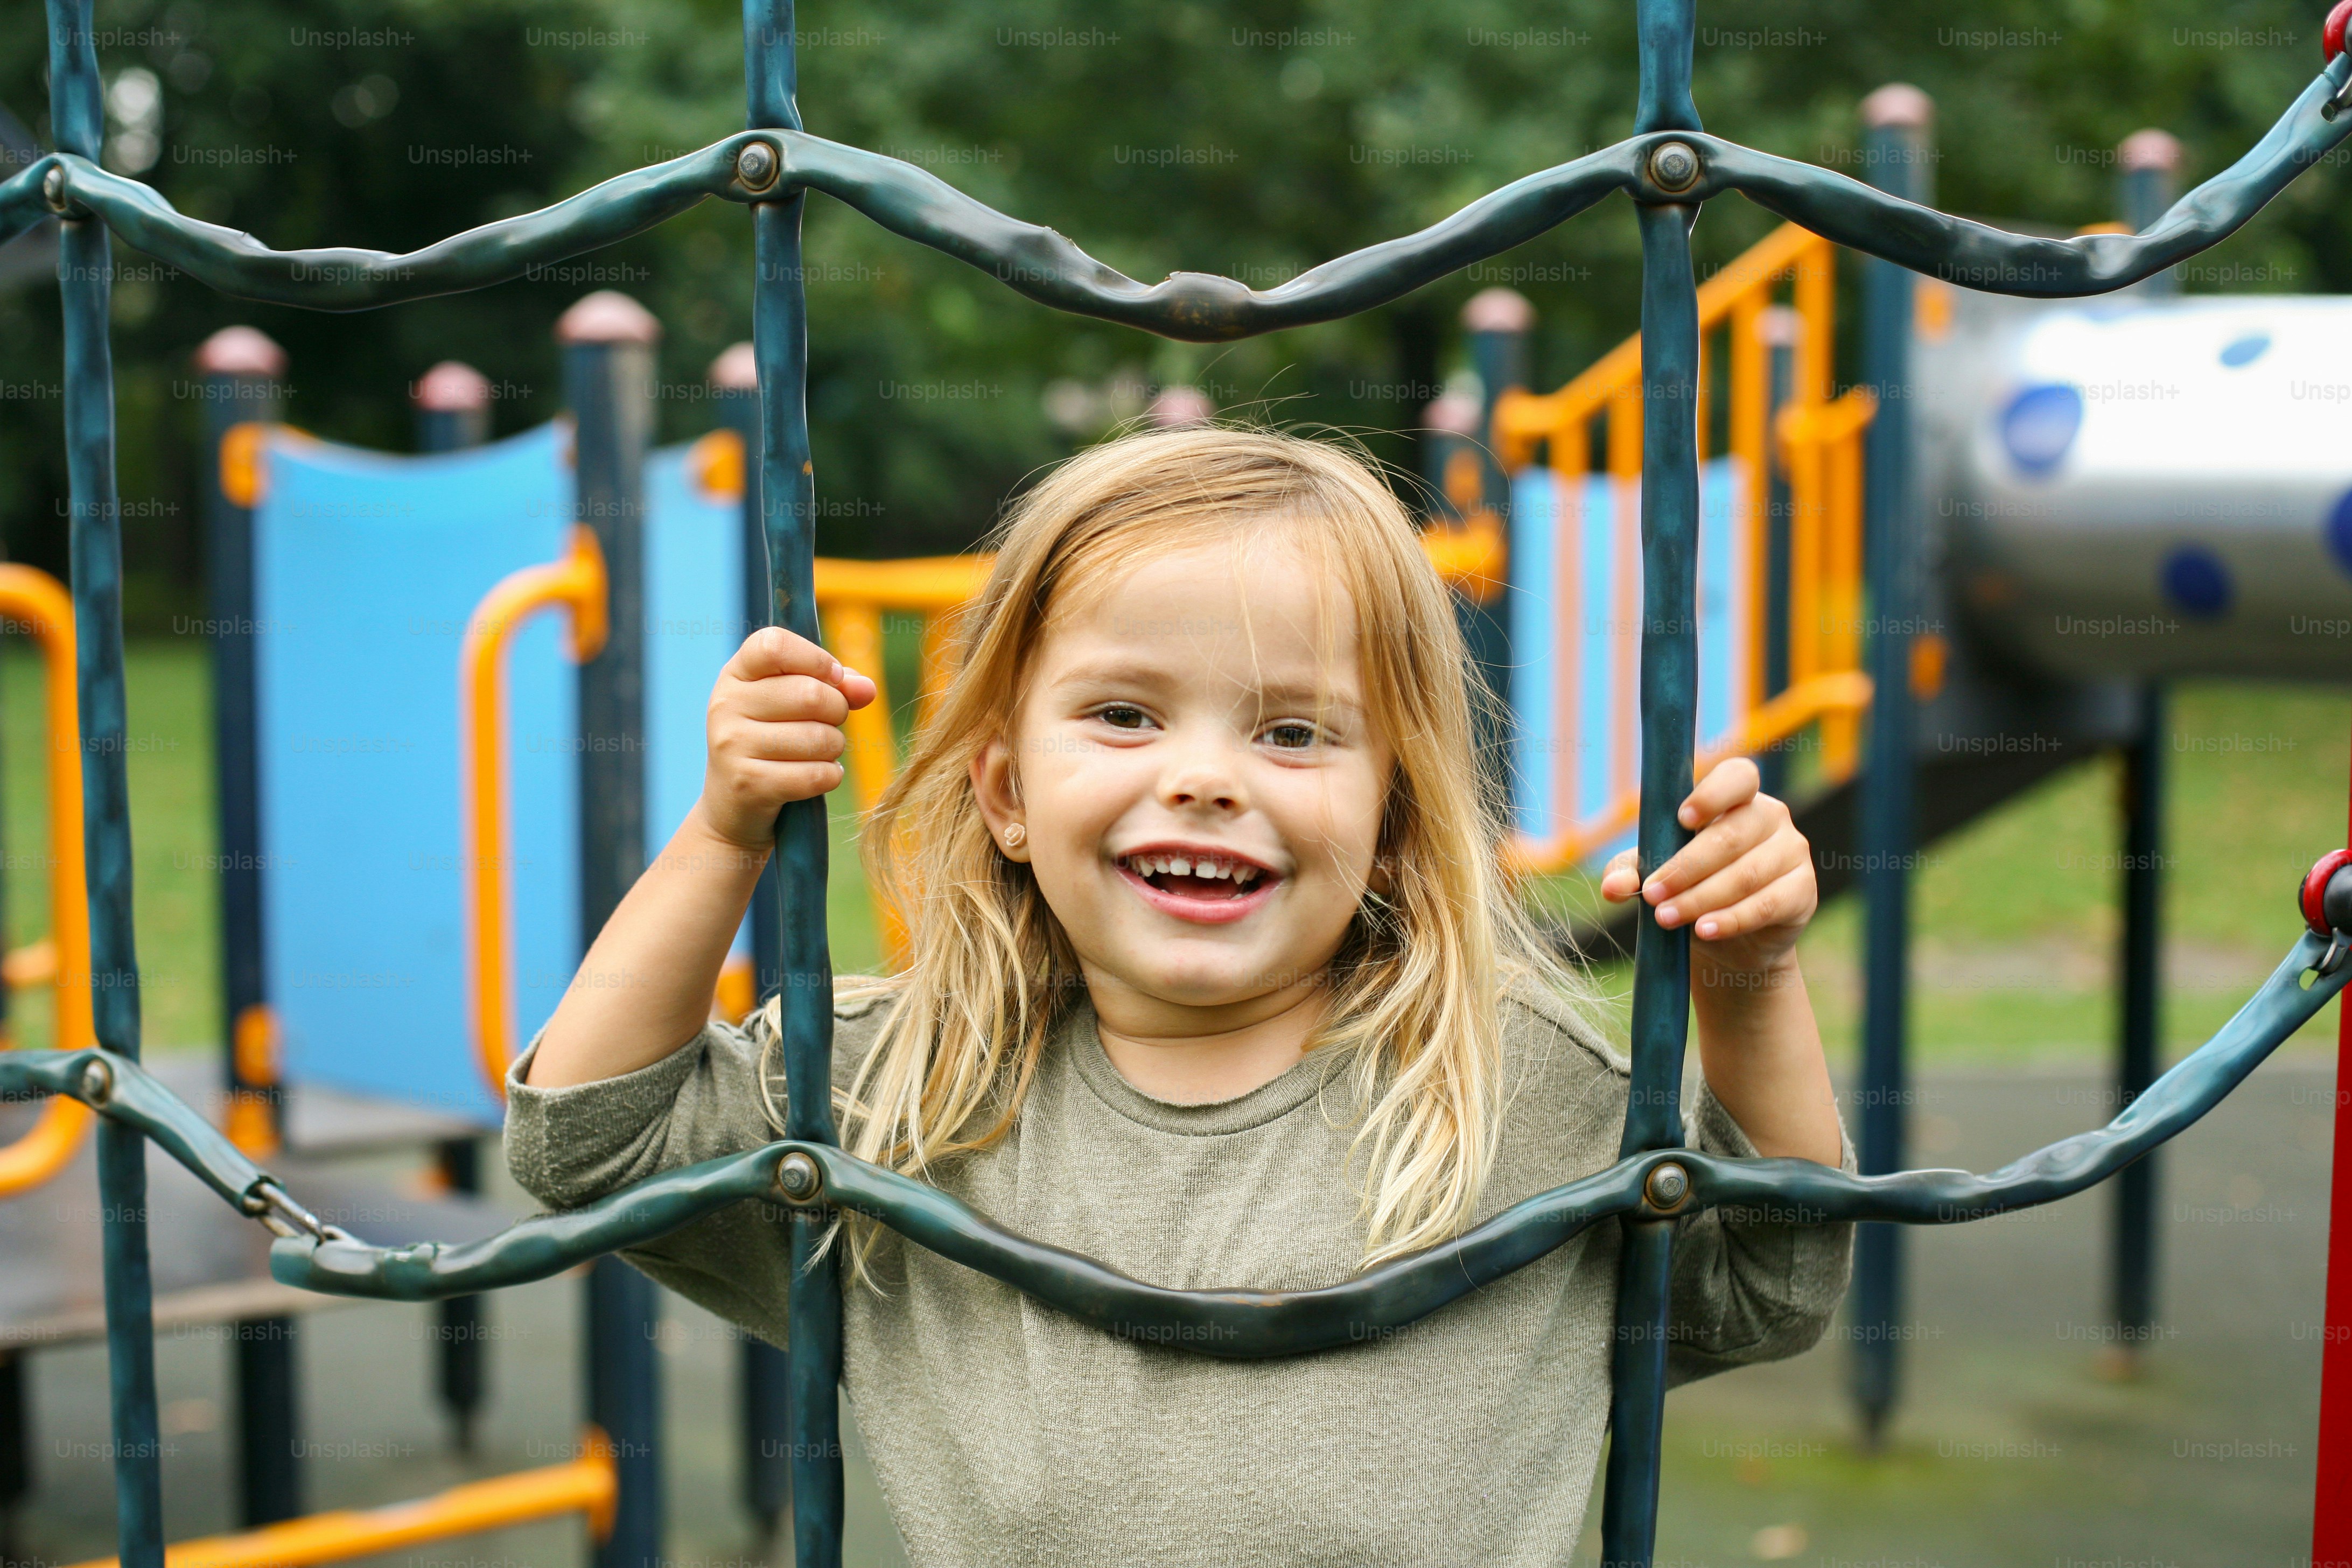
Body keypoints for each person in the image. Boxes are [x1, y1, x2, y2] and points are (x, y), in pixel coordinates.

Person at [508, 424, 1852, 1565]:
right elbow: (589, 1139)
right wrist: (728, 830)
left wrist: (1747, 976)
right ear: (1007, 793)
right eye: (1126, 716)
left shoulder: (1505, 1084)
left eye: (1290, 732)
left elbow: (1771, 1274)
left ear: (1391, 817)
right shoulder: (908, 1088)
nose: (1206, 776)